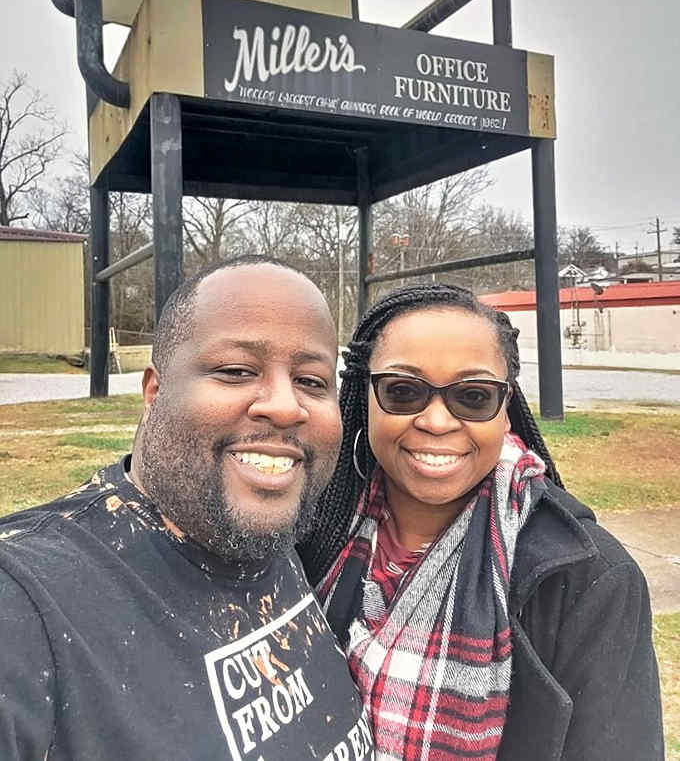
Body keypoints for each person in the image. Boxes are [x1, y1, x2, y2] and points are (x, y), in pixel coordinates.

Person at [0, 257, 374, 761]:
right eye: (237, 371)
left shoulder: (282, 536)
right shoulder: (29, 600)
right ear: (154, 391)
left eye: (312, 381)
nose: (287, 407)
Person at [299, 282, 664, 761]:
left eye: (472, 397)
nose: (435, 421)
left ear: (505, 409)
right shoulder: (307, 532)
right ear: (363, 396)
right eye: (403, 392)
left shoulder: (588, 579)